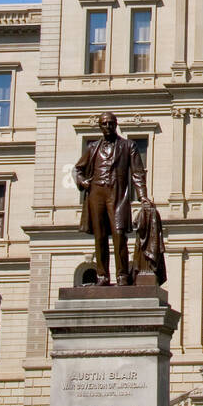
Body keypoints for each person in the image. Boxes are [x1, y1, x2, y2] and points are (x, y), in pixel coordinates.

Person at [73, 111, 149, 285]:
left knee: (119, 234)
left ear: (116, 125)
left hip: (117, 194)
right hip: (96, 193)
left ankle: (122, 275)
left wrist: (143, 196)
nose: (108, 126)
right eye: (104, 124)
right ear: (100, 126)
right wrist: (83, 182)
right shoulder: (92, 148)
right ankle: (102, 276)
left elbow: (137, 173)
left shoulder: (128, 146)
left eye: (111, 123)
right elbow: (78, 169)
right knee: (99, 237)